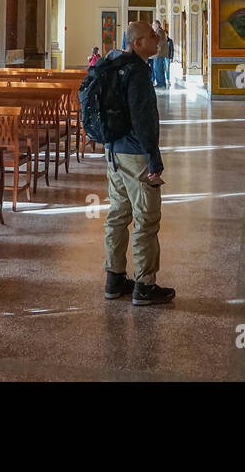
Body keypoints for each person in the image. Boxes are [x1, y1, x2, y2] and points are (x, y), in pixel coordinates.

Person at [102, 20, 175, 306]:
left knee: (118, 214)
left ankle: (114, 278)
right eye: (151, 36)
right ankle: (145, 285)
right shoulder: (138, 73)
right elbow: (143, 119)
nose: (157, 39)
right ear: (138, 43)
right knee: (146, 218)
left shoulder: (116, 67)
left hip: (114, 151)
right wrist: (154, 158)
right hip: (135, 155)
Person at [151, 19, 169, 88]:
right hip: (158, 54)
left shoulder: (159, 32)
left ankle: (161, 83)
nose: (152, 26)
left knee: (158, 69)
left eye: (153, 25)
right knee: (157, 68)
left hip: (159, 54)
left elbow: (158, 43)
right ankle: (160, 83)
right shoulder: (159, 31)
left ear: (157, 25)